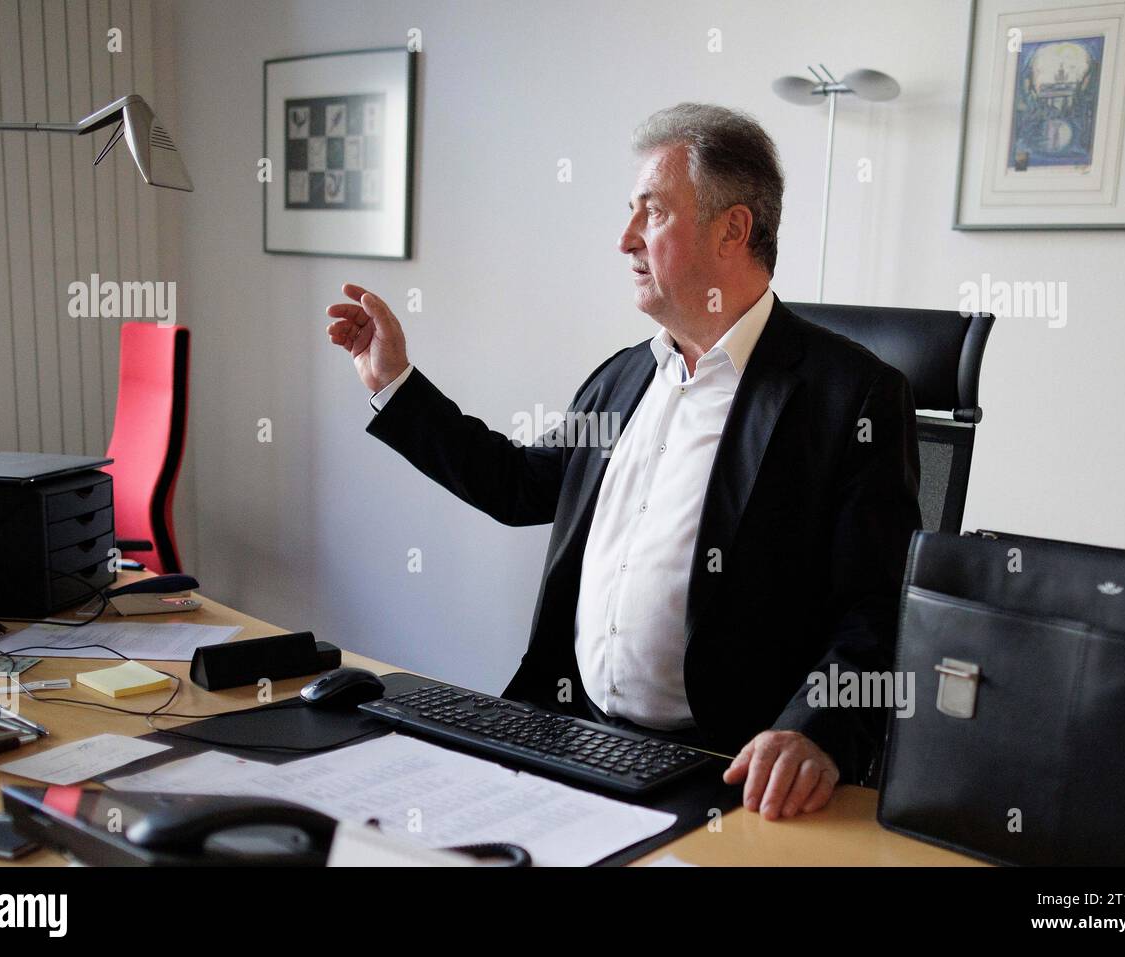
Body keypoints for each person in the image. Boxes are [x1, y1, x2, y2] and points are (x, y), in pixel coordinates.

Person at [327, 103, 920, 820]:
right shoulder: (623, 377)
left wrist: (814, 731)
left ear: (733, 228)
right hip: (572, 739)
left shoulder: (850, 395)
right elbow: (520, 485)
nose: (625, 238)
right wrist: (395, 383)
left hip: (729, 776)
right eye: (629, 212)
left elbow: (877, 605)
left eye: (654, 213)